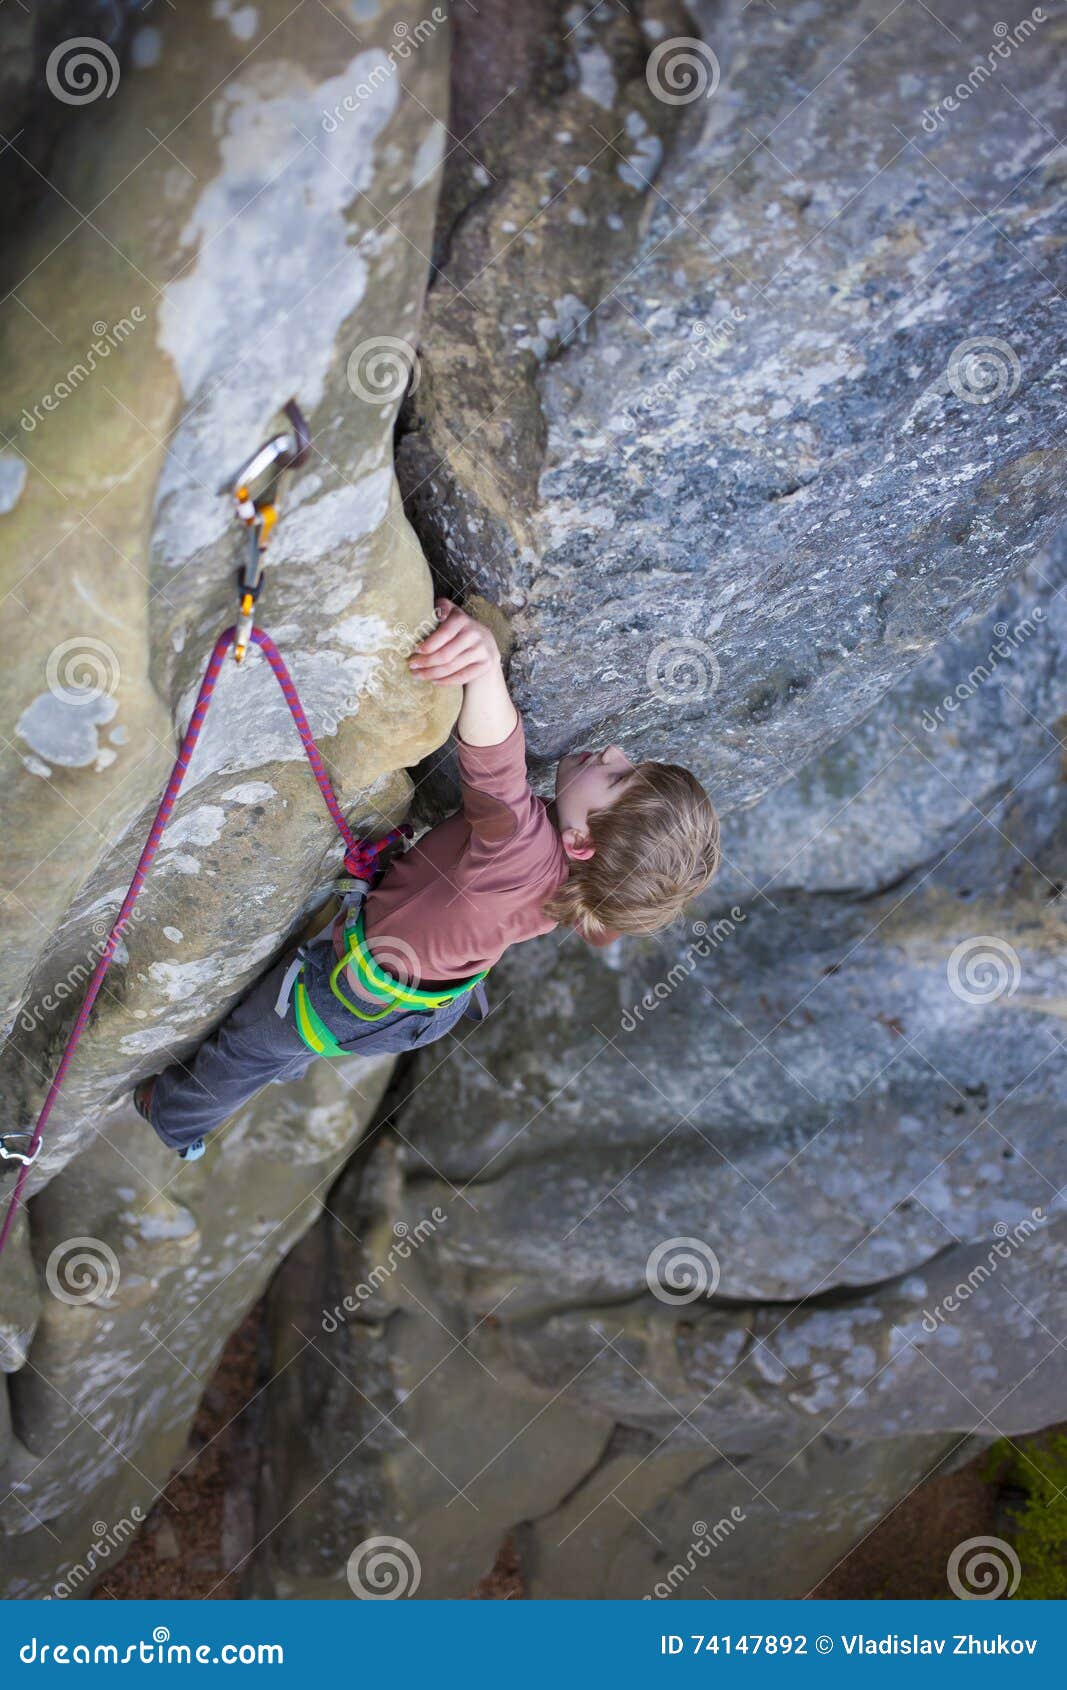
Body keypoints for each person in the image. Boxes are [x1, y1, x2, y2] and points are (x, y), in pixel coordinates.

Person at [135, 599, 721, 1158]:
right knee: (291, 1043)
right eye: (631, 764)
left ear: (582, 843)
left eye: (617, 777)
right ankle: (299, 1050)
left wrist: (483, 665)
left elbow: (498, 766)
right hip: (427, 1005)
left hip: (361, 996)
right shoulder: (574, 887)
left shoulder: (522, 852)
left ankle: (173, 1118)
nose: (613, 751)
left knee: (250, 1044)